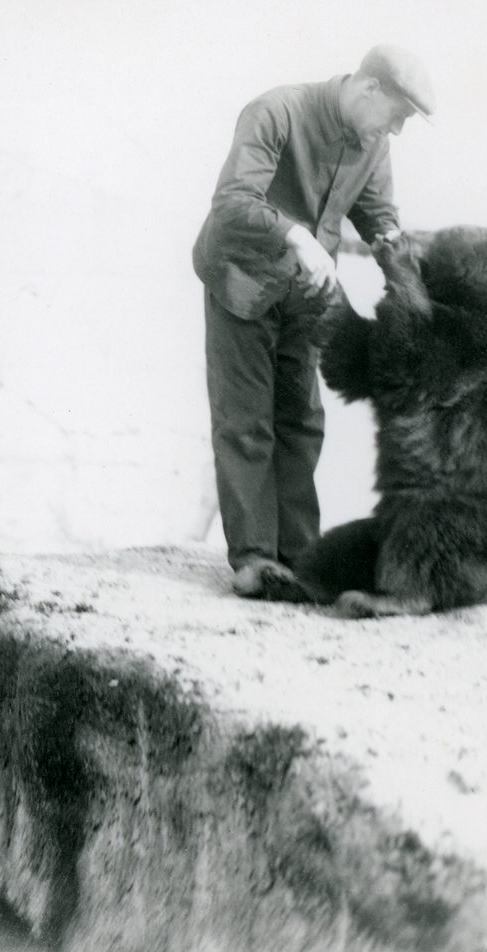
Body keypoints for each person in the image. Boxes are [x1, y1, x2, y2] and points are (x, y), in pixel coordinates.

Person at [192, 44, 436, 598]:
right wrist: (297, 234)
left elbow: (377, 214)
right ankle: (254, 560)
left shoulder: (372, 142)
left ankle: (301, 559)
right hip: (241, 279)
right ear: (369, 89)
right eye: (398, 115)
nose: (397, 130)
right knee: (247, 419)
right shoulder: (276, 111)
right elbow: (232, 202)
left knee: (302, 419)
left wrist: (397, 251)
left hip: (303, 290)